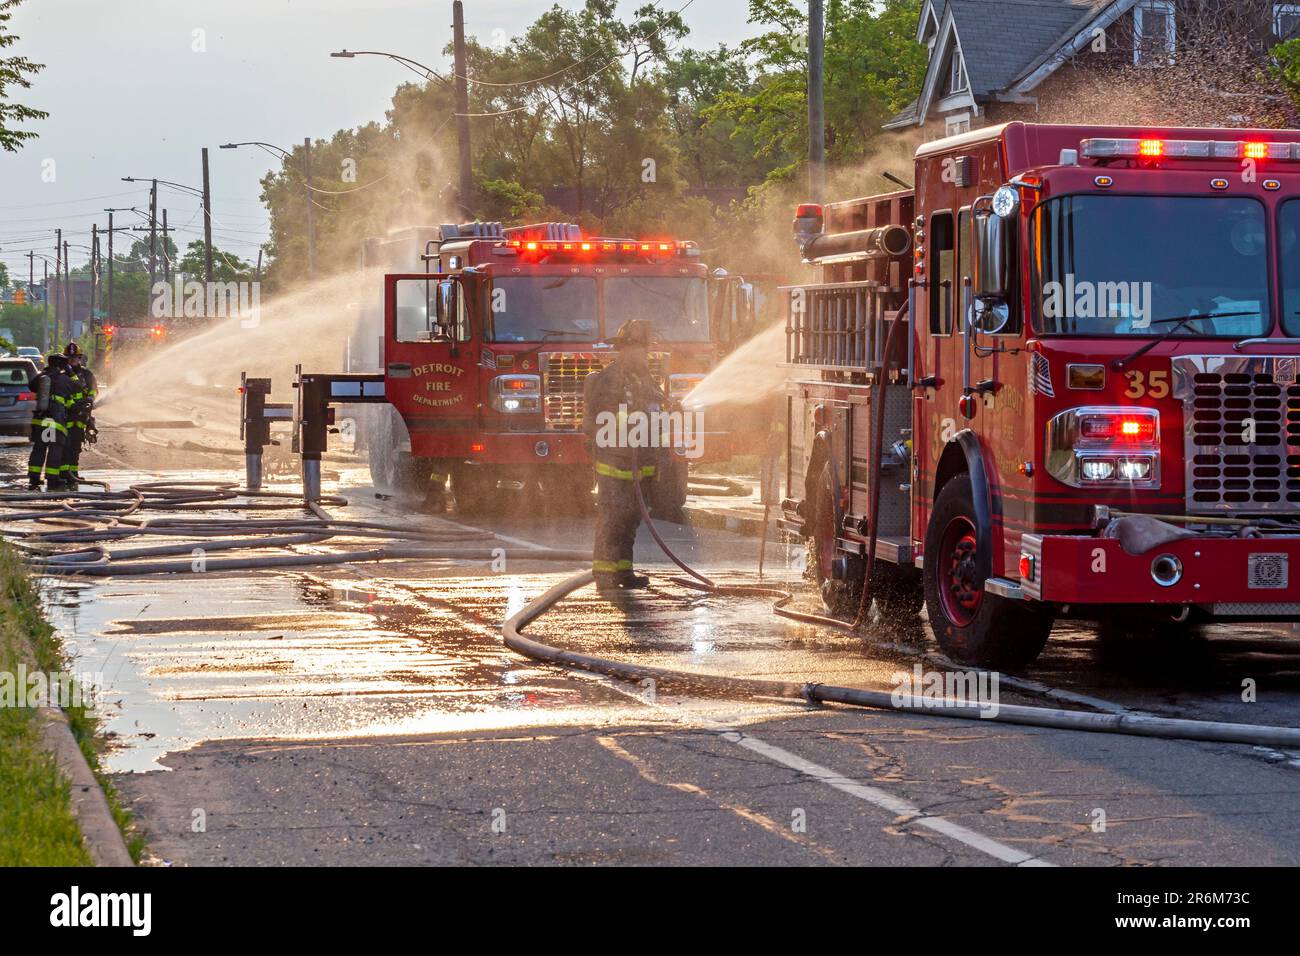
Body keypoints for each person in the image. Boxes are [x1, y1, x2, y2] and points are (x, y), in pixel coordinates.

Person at [582, 319, 666, 592]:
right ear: (625, 350)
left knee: (630, 518)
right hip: (615, 464)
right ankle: (604, 574)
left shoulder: (644, 378)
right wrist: (637, 417)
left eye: (646, 349)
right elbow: (605, 419)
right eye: (640, 349)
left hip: (640, 463)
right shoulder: (610, 379)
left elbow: (656, 409)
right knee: (613, 517)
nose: (644, 354)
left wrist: (666, 411)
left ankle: (623, 571)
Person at [28, 353, 73, 490]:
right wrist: (71, 373)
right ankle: (52, 479)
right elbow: (76, 389)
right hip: (55, 420)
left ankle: (34, 478)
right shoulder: (64, 379)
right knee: (55, 448)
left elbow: (31, 386)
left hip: (42, 419)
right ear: (62, 365)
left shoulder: (42, 377)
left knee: (40, 448)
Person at [61, 342, 97, 487]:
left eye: (75, 357)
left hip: (81, 417)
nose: (72, 360)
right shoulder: (61, 375)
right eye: (69, 357)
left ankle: (73, 474)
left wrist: (90, 398)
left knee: (76, 445)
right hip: (65, 415)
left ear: (80, 358)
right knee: (64, 445)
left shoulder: (86, 374)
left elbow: (94, 389)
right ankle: (63, 474)